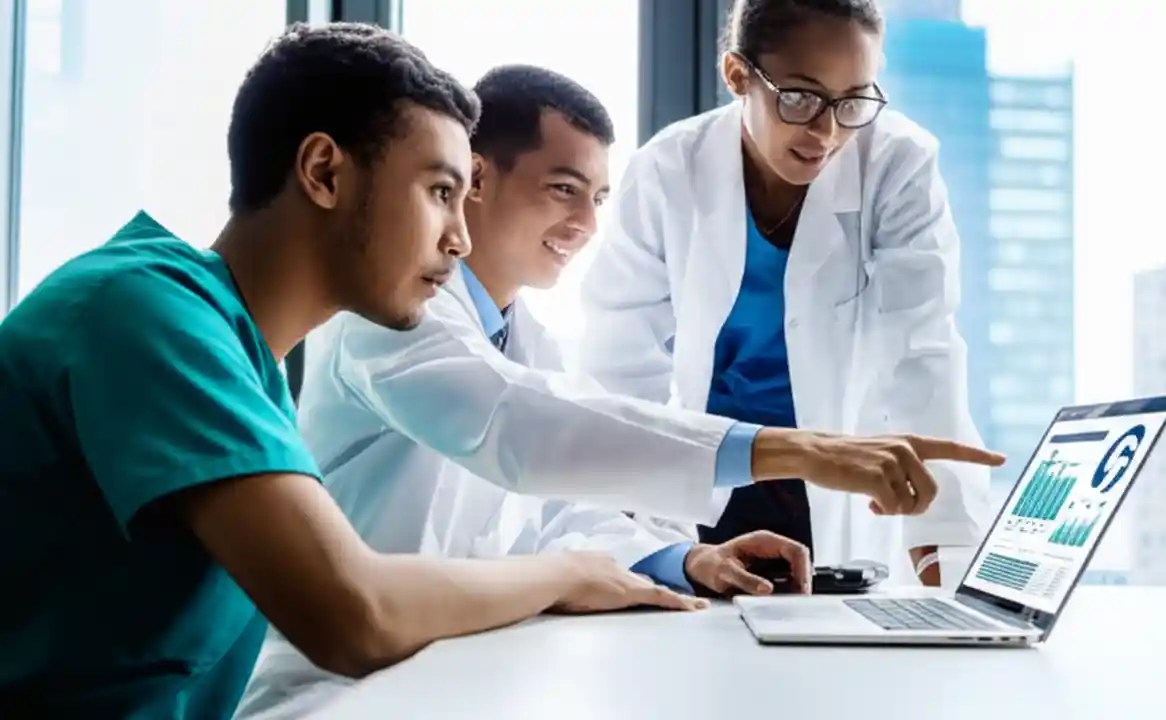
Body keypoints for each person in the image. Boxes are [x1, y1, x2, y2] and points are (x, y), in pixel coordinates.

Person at [0, 25, 710, 718]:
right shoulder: (147, 313)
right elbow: (355, 614)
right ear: (324, 172)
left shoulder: (246, 365)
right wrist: (569, 574)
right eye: (439, 192)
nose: (459, 237)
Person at [235, 66, 822, 719]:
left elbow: (549, 513)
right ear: (475, 180)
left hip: (453, 662)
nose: (585, 225)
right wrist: (778, 450)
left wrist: (685, 558)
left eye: (597, 199)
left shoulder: (526, 338)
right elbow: (512, 426)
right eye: (563, 190)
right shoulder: (385, 317)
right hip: (336, 684)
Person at [579, 0, 991, 585]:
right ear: (737, 76)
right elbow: (618, 373)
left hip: (835, 486)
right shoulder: (667, 171)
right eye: (800, 97)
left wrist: (941, 550)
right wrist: (624, 540)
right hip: (703, 479)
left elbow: (922, 355)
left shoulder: (898, 162)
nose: (827, 131)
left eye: (853, 101)